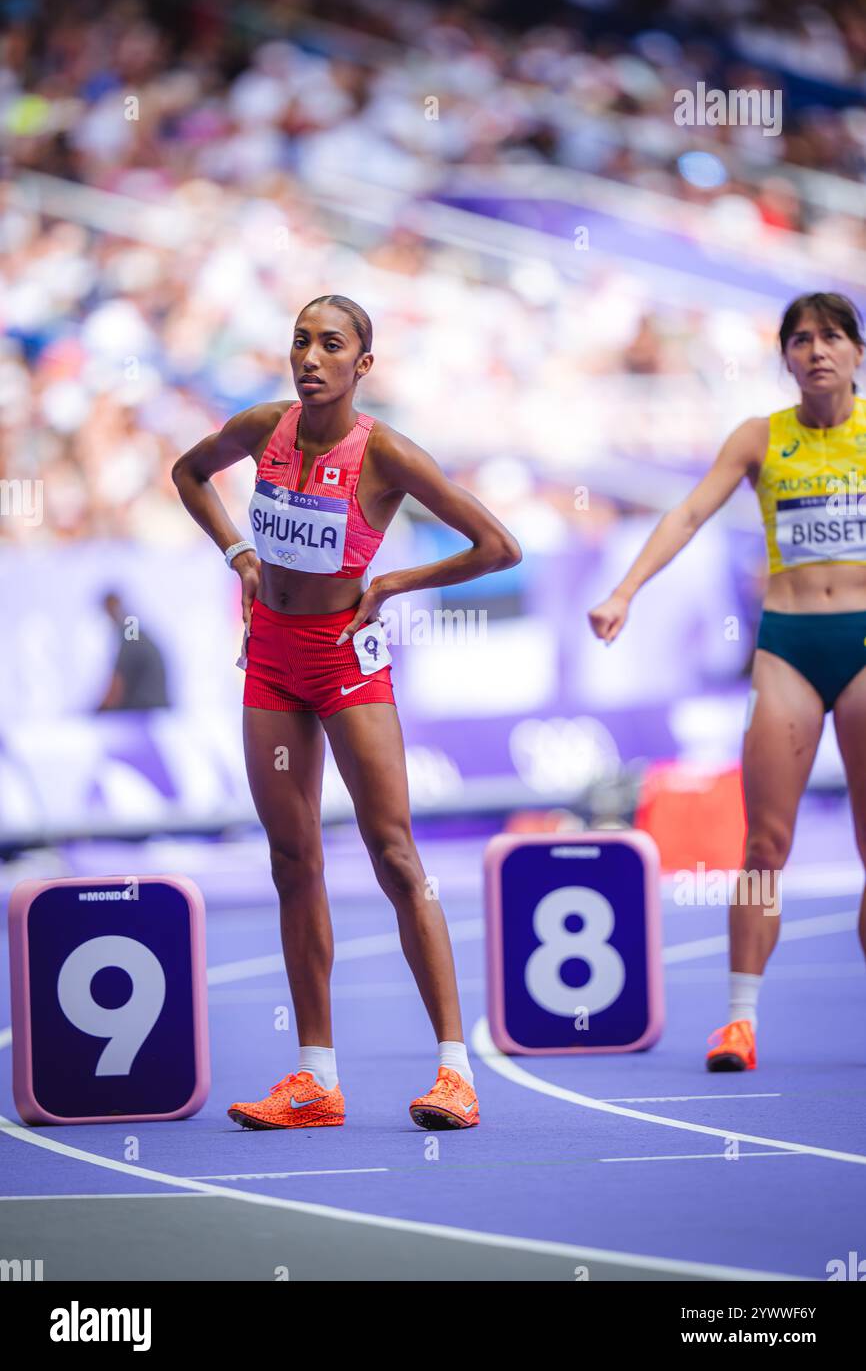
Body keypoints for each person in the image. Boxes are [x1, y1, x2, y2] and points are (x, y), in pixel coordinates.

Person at [172, 294, 522, 1128]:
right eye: (301, 341)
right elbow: (188, 474)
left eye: (332, 345)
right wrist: (239, 555)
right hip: (272, 661)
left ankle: (454, 1072)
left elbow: (500, 547)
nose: (311, 357)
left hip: (345, 660)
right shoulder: (263, 428)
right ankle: (316, 1080)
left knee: (395, 854)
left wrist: (398, 581)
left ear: (363, 365)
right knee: (292, 861)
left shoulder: (387, 452)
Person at [588, 292, 866, 1072]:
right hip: (788, 648)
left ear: (856, 352)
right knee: (764, 843)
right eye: (801, 339)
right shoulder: (758, 438)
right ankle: (739, 1021)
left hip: (865, 643)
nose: (817, 350)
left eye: (833, 337)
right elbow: (685, 515)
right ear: (784, 357)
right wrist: (626, 590)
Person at [96, 592, 169, 711]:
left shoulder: (130, 631)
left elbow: (118, 681)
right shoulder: (133, 628)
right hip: (152, 706)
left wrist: (101, 709)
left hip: (145, 708)